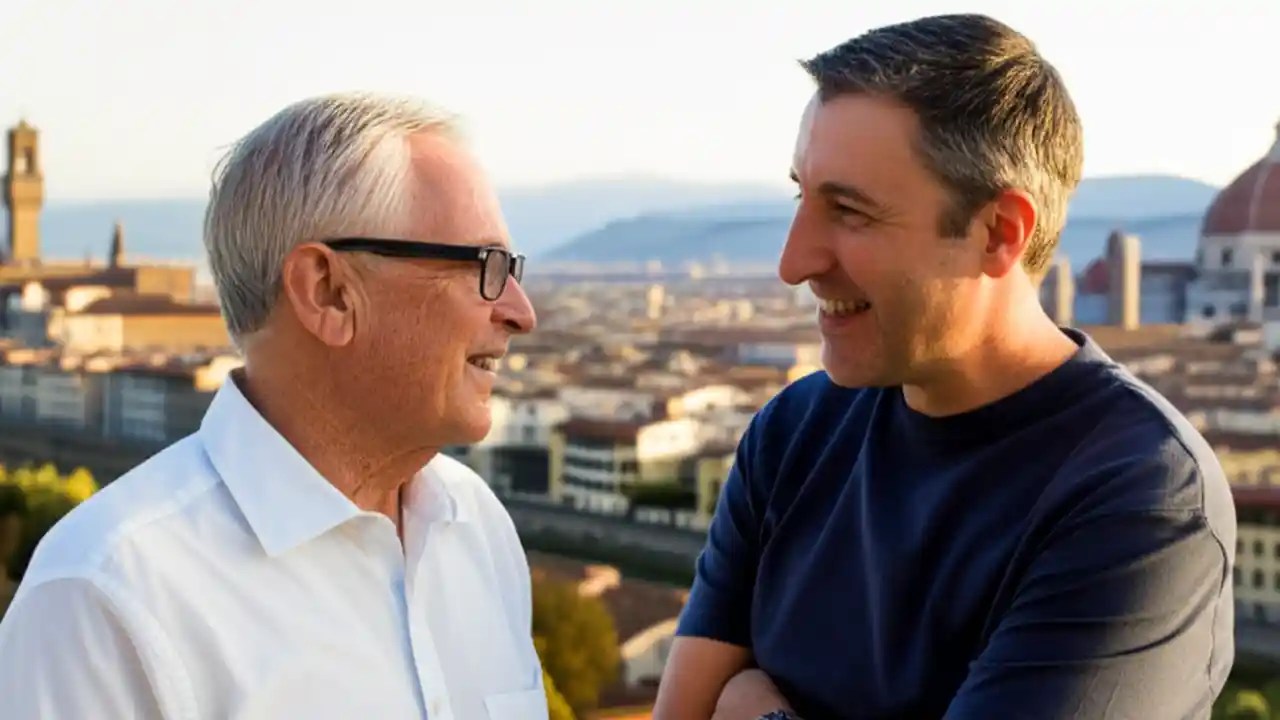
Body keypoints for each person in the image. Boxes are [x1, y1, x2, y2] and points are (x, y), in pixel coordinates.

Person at [655, 14, 1235, 720]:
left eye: (849, 211)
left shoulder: (1141, 498)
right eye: (801, 195)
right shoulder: (792, 433)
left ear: (998, 234)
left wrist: (753, 711)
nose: (793, 262)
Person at [0, 93, 550, 720]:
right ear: (328, 292)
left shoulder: (477, 526)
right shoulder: (104, 597)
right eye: (484, 266)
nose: (521, 312)